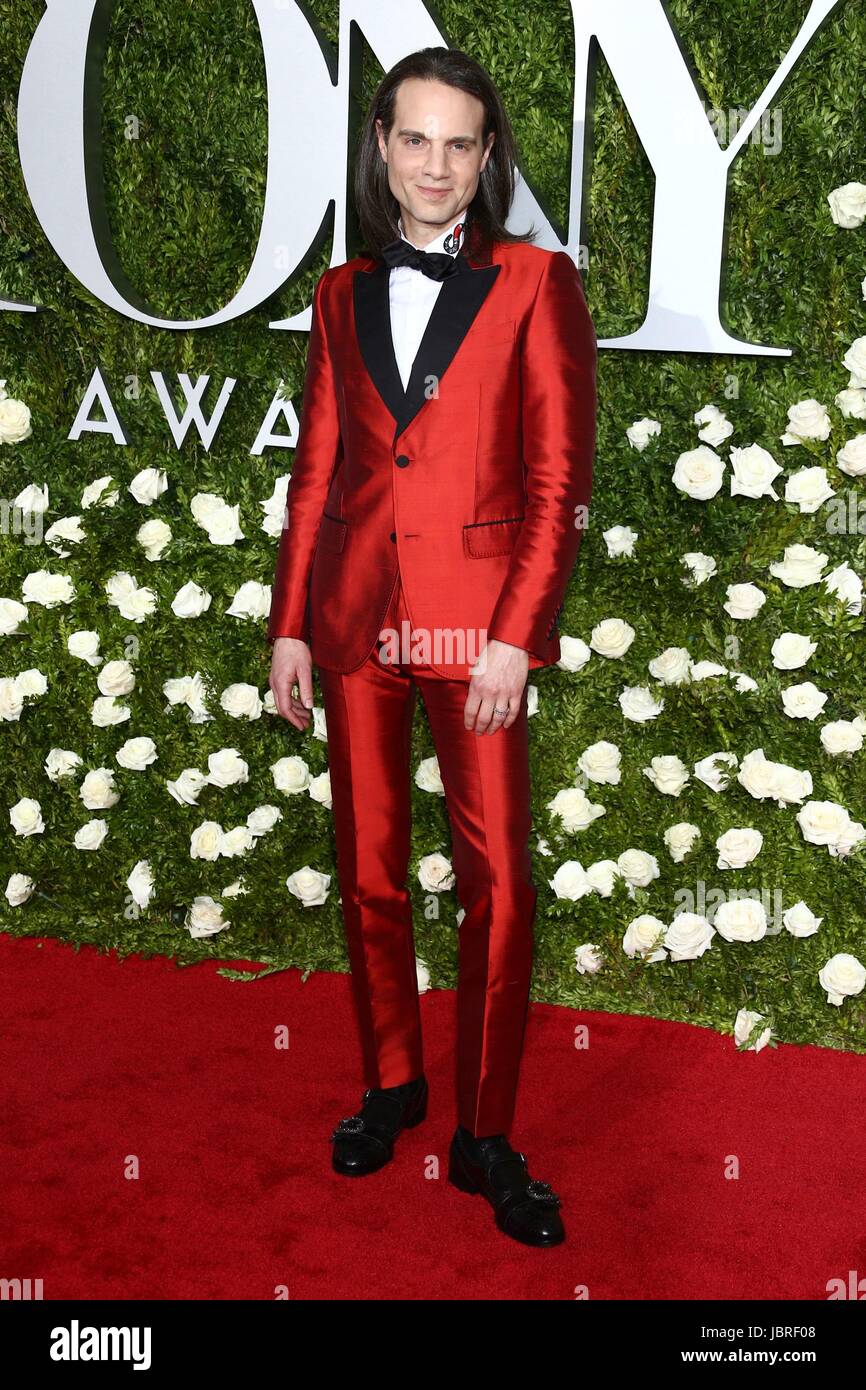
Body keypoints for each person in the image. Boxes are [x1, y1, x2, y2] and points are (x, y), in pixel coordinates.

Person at [268, 45, 597, 1248]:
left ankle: (485, 1134)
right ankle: (393, 1083)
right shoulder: (341, 292)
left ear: (488, 156)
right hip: (356, 623)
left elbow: (561, 481)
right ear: (380, 148)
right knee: (367, 872)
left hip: (477, 638)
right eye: (414, 139)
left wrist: (517, 636)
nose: (435, 165)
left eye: (459, 143)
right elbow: (318, 470)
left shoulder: (534, 282)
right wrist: (289, 622)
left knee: (498, 889)